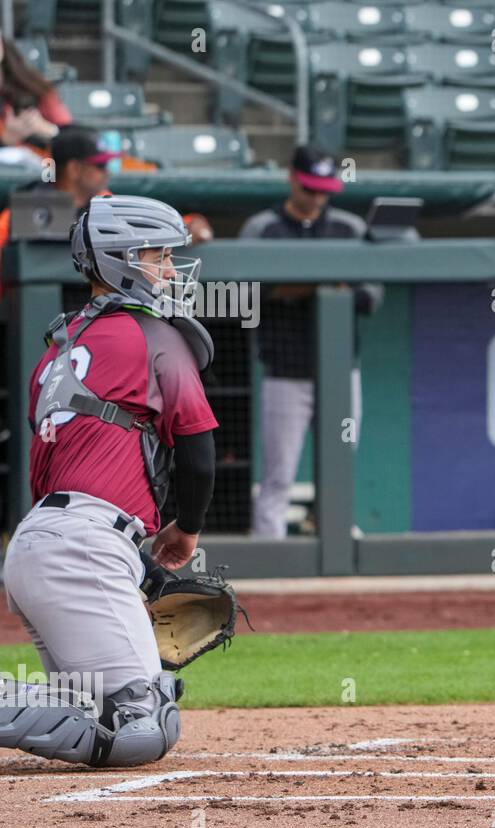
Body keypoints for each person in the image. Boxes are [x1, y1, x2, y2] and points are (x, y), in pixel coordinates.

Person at [1, 195, 218, 767]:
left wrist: (138, 564)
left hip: (39, 544)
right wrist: (187, 530)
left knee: (106, 711)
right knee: (141, 726)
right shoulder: (157, 337)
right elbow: (198, 456)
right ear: (120, 258)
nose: (169, 270)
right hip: (81, 550)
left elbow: (66, 475)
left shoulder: (58, 348)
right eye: (158, 255)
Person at [239, 144, 382, 538]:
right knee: (278, 474)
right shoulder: (263, 228)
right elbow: (241, 296)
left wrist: (323, 288)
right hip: (285, 370)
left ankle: (335, 536)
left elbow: (371, 296)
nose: (317, 197)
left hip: (340, 371)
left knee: (340, 467)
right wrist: (313, 284)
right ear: (292, 178)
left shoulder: (350, 228)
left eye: (324, 190)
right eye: (310, 188)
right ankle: (269, 551)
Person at [0, 125, 117, 290]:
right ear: (74, 169)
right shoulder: (19, 213)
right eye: (100, 165)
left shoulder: (108, 205)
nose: (107, 172)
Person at [0, 34, 70, 163]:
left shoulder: (34, 87)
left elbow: (72, 139)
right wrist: (5, 140)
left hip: (43, 171)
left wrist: (49, 130)